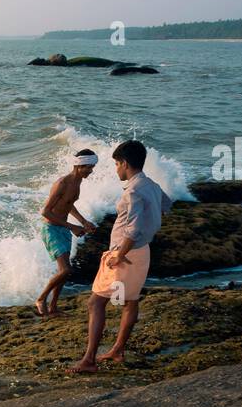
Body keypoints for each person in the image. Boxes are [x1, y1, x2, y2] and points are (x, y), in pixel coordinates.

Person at [68, 140, 172, 373]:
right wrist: (150, 224)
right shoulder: (151, 185)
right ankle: (118, 349)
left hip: (124, 254)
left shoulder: (133, 191)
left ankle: (89, 361)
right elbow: (166, 205)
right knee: (130, 301)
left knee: (95, 303)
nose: (116, 169)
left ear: (125, 163)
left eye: (116, 164)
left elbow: (132, 230)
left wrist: (118, 255)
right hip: (143, 251)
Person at [35, 149, 99, 317]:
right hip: (51, 229)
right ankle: (41, 299)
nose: (91, 171)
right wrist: (72, 226)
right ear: (79, 165)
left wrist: (84, 222)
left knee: (65, 272)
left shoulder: (77, 182)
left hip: (63, 228)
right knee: (65, 270)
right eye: (89, 167)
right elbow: (46, 212)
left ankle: (54, 307)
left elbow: (68, 204)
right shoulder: (62, 183)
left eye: (92, 167)